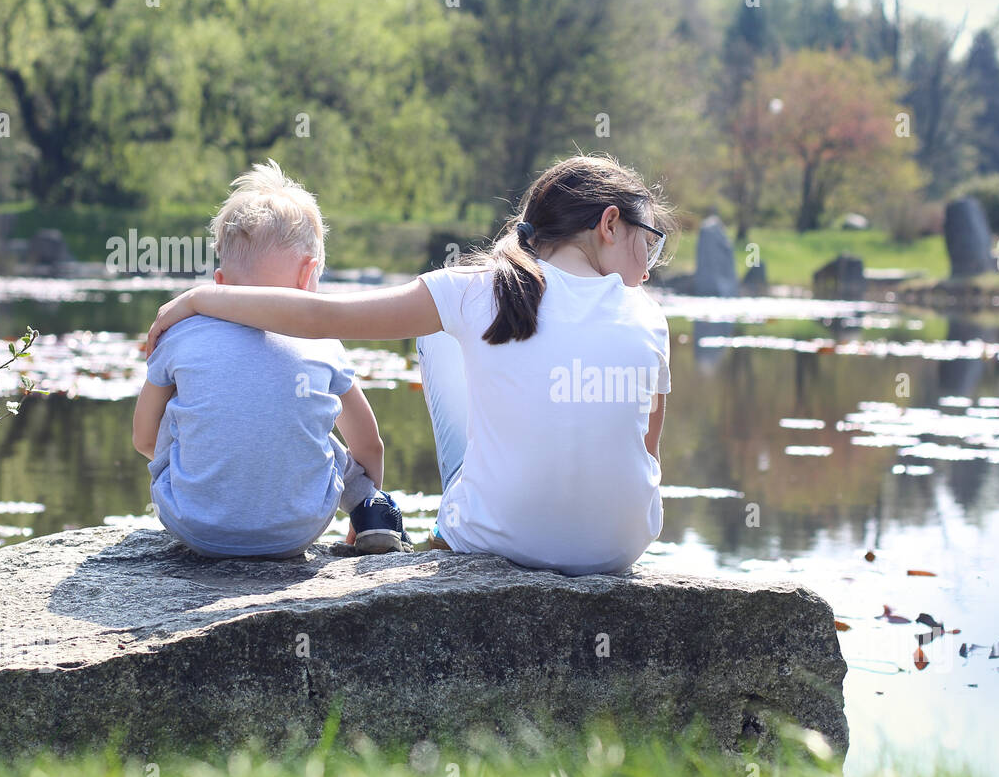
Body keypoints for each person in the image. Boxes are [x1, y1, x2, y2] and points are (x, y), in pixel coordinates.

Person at [146, 154, 675, 576]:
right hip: (620, 547)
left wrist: (200, 299)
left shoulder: (472, 287)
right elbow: (645, 453)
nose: (648, 270)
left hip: (503, 539)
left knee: (442, 333)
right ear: (609, 224)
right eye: (649, 245)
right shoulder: (650, 316)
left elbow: (320, 316)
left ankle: (451, 528)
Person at [132, 159, 408, 559]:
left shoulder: (180, 334)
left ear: (220, 284)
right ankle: (374, 513)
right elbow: (370, 445)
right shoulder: (323, 342)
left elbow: (143, 438)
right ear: (308, 274)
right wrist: (362, 498)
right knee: (318, 434)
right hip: (297, 531)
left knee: (183, 413)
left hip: (194, 527)